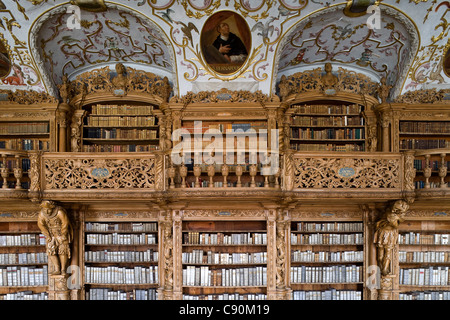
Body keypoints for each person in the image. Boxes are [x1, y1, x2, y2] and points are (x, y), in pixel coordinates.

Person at [37, 200, 73, 276]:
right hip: (51, 233)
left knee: (63, 250)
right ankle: (57, 269)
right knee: (50, 250)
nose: (47, 211)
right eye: (45, 209)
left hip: (61, 232)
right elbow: (40, 224)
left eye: (48, 209)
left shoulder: (59, 212)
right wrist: (47, 235)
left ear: (52, 208)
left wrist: (63, 234)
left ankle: (63, 269)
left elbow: (65, 222)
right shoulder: (42, 214)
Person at [374, 199, 409, 276]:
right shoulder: (390, 215)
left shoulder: (394, 215)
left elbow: (398, 221)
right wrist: (399, 217)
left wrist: (399, 217)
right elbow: (395, 224)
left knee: (388, 252)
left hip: (390, 233)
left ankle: (384, 269)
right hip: (384, 233)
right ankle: (382, 269)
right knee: (380, 255)